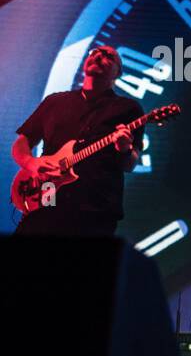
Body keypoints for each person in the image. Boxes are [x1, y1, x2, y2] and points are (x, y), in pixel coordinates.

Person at [11, 45, 142, 237]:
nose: (99, 55)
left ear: (118, 73)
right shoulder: (55, 102)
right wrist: (31, 163)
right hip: (47, 195)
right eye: (95, 52)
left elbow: (130, 164)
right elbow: (22, 142)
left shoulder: (128, 109)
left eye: (108, 56)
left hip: (95, 208)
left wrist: (124, 149)